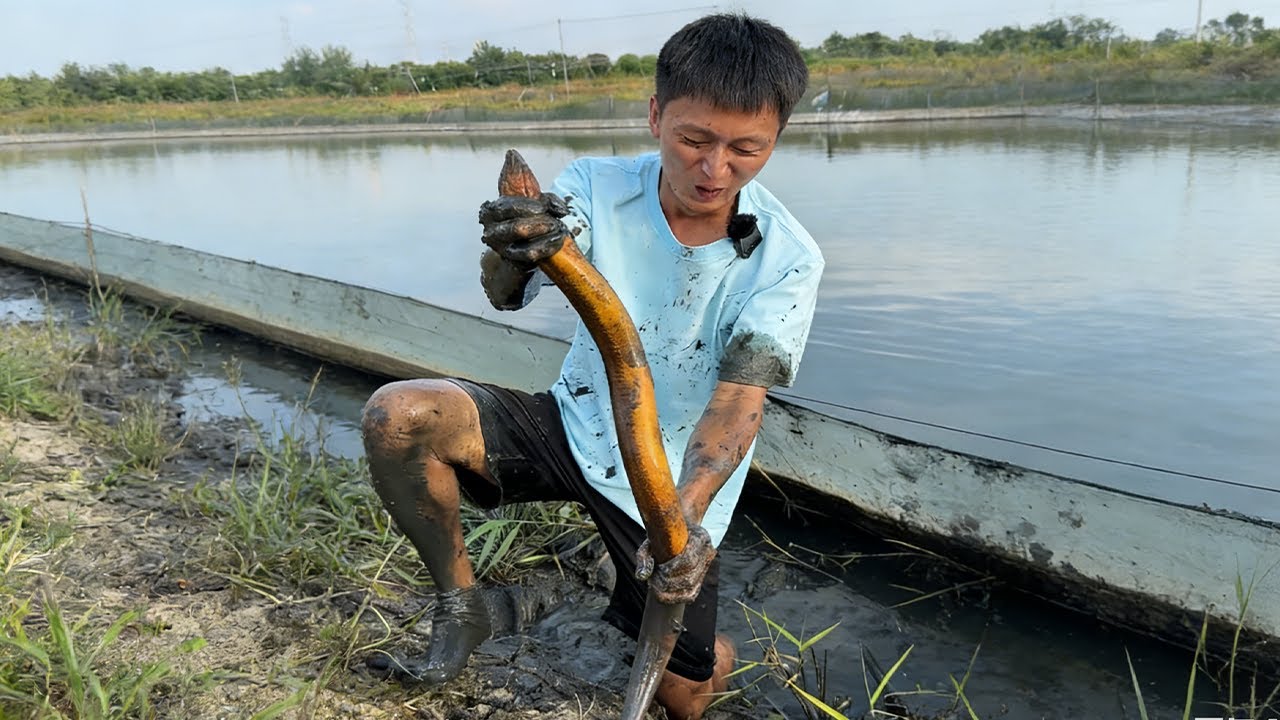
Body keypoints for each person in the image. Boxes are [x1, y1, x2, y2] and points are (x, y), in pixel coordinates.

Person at [360, 13, 823, 720]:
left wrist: (684, 519)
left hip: (671, 480)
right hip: (575, 421)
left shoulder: (787, 256)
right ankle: (464, 609)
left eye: (745, 150)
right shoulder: (595, 188)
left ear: (776, 141)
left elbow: (737, 402)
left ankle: (708, 652)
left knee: (683, 690)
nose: (714, 168)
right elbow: (506, 292)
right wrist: (514, 248)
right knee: (399, 416)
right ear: (655, 116)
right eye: (694, 139)